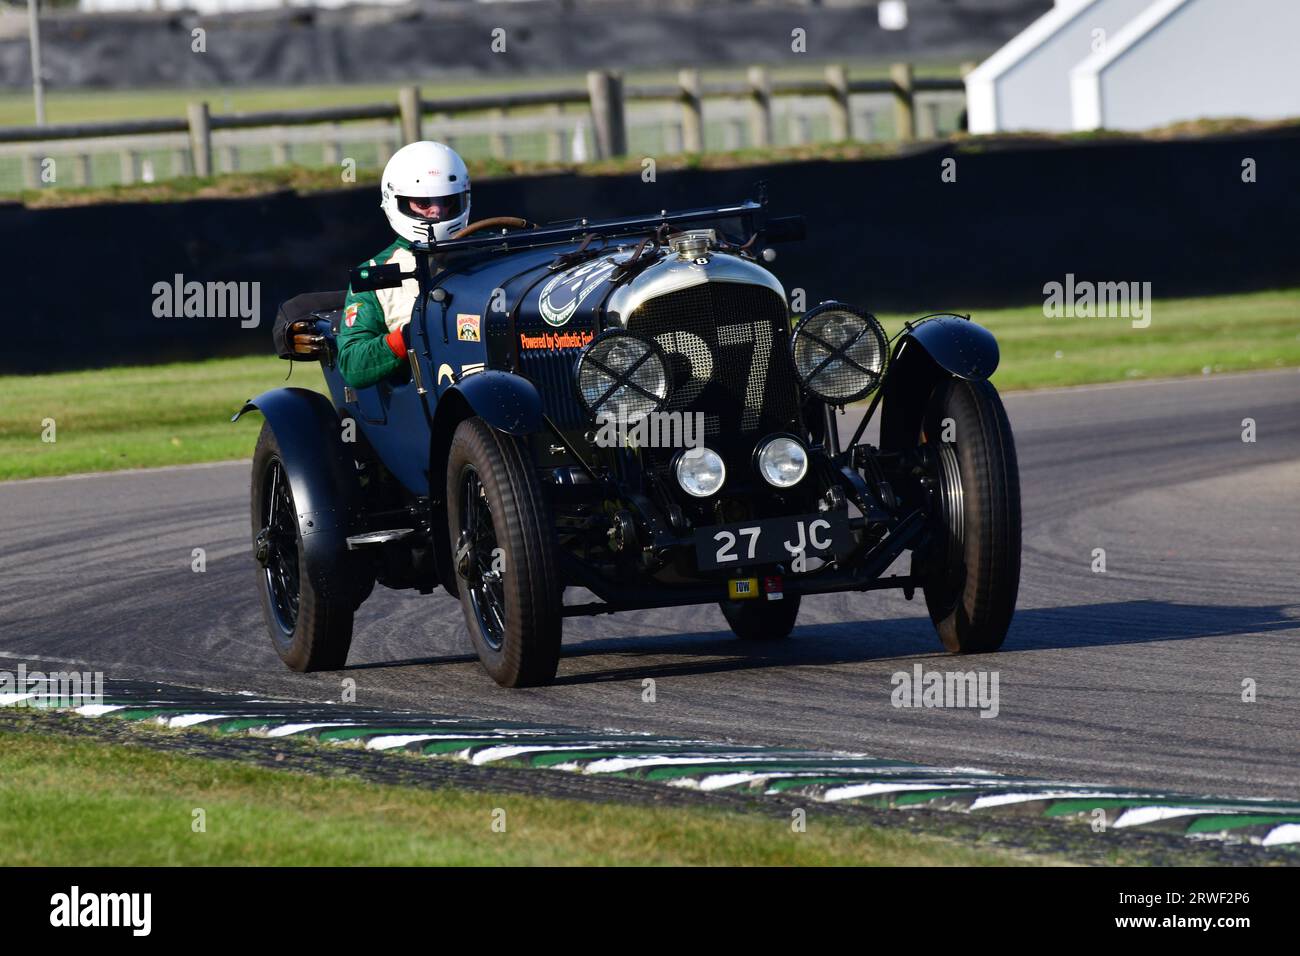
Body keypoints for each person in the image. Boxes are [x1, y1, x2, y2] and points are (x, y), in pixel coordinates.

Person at [333, 141, 472, 388]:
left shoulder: (495, 249)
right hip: (431, 391)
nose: (437, 212)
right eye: (424, 203)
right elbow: (353, 364)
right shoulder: (374, 274)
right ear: (397, 201)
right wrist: (410, 334)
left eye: (447, 201)